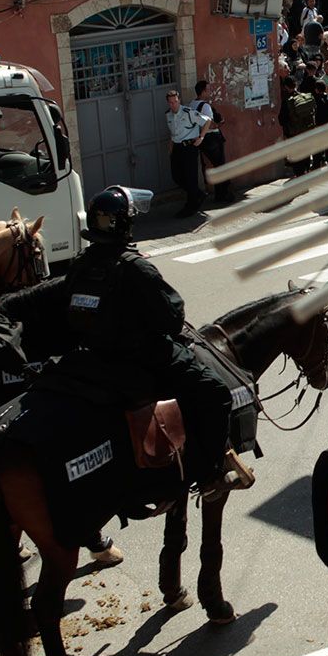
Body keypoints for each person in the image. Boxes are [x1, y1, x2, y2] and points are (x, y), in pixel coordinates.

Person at [61, 186, 247, 500]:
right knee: (215, 391)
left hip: (93, 356)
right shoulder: (135, 267)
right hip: (140, 356)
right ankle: (212, 472)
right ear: (125, 224)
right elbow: (172, 319)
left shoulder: (80, 263)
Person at [164, 89, 206, 217]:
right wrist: (171, 148)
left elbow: (207, 121)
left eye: (175, 102)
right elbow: (173, 133)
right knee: (177, 176)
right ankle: (198, 194)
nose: (174, 105)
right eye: (171, 102)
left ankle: (191, 205)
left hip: (189, 147)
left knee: (190, 177)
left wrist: (201, 137)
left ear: (179, 101)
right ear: (168, 103)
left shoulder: (188, 112)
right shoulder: (168, 115)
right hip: (177, 148)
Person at [190, 79, 232, 205]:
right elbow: (211, 124)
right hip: (212, 137)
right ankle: (222, 194)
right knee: (220, 166)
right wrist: (219, 124)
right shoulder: (205, 106)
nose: (210, 92)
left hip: (202, 138)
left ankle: (220, 193)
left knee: (216, 165)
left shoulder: (192, 104)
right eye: (208, 90)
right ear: (203, 92)